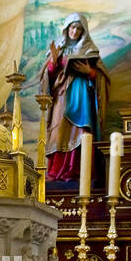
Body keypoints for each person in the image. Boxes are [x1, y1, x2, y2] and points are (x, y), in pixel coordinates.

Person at [42, 14, 110, 183]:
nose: (75, 31)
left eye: (79, 28)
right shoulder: (59, 47)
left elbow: (102, 78)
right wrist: (54, 62)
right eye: (72, 27)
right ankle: (57, 171)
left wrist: (91, 73)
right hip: (62, 95)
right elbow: (47, 77)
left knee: (82, 131)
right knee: (58, 130)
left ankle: (79, 170)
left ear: (83, 32)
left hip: (82, 96)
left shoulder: (89, 49)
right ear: (67, 29)